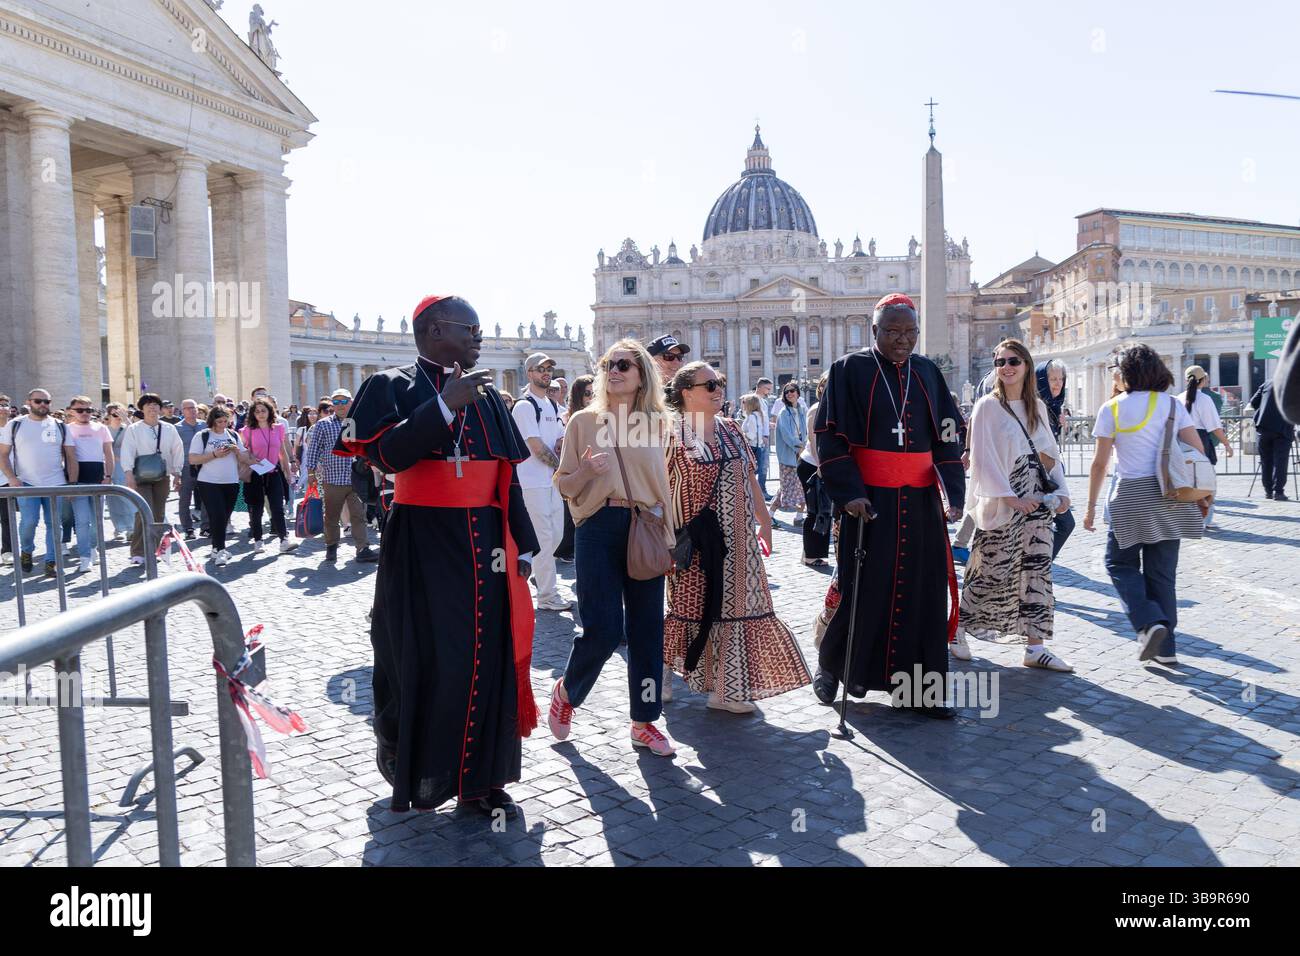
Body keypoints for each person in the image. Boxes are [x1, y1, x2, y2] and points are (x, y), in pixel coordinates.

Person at [340, 294, 540, 818]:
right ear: (432, 330)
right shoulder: (391, 385)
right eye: (469, 328)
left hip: (488, 541)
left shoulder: (491, 396)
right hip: (424, 545)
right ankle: (431, 773)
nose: (479, 337)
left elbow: (507, 475)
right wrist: (446, 405)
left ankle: (483, 778)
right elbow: (387, 455)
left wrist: (525, 544)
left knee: (487, 656)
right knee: (435, 658)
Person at [812, 294, 966, 717]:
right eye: (893, 332)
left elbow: (949, 434)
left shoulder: (929, 372)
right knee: (863, 586)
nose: (903, 340)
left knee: (923, 591)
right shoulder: (848, 370)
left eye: (910, 332)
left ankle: (921, 691)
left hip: (920, 501)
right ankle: (832, 666)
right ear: (874, 330)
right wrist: (850, 493)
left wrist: (954, 493)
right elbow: (830, 437)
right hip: (869, 499)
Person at [548, 339, 677, 756]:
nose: (614, 370)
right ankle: (568, 691)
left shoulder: (659, 422)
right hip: (598, 526)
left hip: (647, 525)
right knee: (603, 630)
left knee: (647, 631)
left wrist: (669, 536)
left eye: (624, 364)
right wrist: (585, 469)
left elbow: (665, 486)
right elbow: (564, 485)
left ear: (642, 373)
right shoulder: (584, 421)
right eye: (608, 364)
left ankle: (645, 722)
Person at [662, 361, 808, 713]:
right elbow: (659, 491)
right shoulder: (672, 434)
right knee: (690, 609)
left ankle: (725, 691)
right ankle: (661, 674)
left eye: (720, 383)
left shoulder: (731, 428)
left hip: (740, 542)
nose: (718, 390)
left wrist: (766, 523)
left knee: (738, 610)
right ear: (686, 393)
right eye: (709, 385)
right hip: (696, 544)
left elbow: (751, 479)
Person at [951, 340, 1073, 671]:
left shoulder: (1036, 405)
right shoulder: (987, 407)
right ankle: (956, 630)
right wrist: (1011, 498)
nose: (1006, 366)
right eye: (1000, 361)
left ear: (1027, 365)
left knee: (1037, 572)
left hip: (1038, 503)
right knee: (990, 569)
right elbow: (983, 461)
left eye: (1013, 360)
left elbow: (1051, 457)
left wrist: (1062, 492)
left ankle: (1035, 647)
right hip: (1004, 503)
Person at [1085, 343, 1206, 667]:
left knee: (1119, 564)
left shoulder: (1112, 408)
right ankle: (1167, 648)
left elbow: (1099, 465)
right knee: (1163, 573)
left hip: (1129, 495)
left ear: (1124, 373)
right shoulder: (1171, 405)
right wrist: (1204, 493)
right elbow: (1197, 451)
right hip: (1169, 495)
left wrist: (1091, 506)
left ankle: (1148, 620)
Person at [511, 352, 570, 610]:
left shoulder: (553, 406)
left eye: (549, 368)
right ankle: (547, 595)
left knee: (556, 536)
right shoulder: (525, 406)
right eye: (540, 368)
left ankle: (539, 573)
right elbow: (536, 446)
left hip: (551, 482)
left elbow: (558, 440)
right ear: (530, 374)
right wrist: (562, 466)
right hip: (532, 482)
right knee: (545, 539)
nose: (546, 372)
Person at [0, 388, 78, 576]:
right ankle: (26, 550)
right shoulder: (15, 424)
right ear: (29, 402)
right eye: (38, 401)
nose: (43, 404)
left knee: (54, 524)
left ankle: (51, 561)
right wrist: (11, 478)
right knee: (29, 522)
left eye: (47, 401)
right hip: (27, 483)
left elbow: (71, 456)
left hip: (56, 483)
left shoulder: (60, 425)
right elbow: (3, 455)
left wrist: (73, 484)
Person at [301, 388, 377, 564]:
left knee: (358, 515)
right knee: (332, 517)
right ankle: (331, 547)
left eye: (344, 401)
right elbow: (314, 450)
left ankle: (363, 548)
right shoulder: (323, 424)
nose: (340, 405)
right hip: (333, 479)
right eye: (336, 402)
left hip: (356, 478)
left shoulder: (359, 422)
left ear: (351, 402)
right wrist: (311, 471)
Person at [118, 393, 185, 567]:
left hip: (162, 475)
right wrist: (128, 474)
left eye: (155, 404)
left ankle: (154, 549)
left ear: (160, 407)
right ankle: (138, 551)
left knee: (158, 513)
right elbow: (127, 451)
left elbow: (177, 450)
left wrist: (177, 473)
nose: (152, 407)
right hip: (140, 476)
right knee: (143, 512)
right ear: (142, 408)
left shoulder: (169, 428)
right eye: (148, 404)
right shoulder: (134, 429)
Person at [189, 406, 252, 567]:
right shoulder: (202, 435)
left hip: (231, 481)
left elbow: (245, 457)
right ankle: (220, 549)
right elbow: (193, 459)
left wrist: (237, 451)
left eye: (226, 421)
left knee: (223, 517)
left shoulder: (233, 434)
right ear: (212, 421)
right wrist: (214, 454)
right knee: (216, 515)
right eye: (219, 421)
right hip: (208, 481)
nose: (223, 425)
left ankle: (216, 549)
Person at [64, 395, 115, 574]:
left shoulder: (101, 428)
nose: (84, 413)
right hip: (77, 478)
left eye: (88, 410)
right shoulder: (66, 429)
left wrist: (108, 476)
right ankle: (84, 556)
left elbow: (108, 454)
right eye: (80, 410)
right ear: (71, 411)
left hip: (98, 478)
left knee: (96, 520)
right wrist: (69, 482)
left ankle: (93, 548)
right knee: (82, 521)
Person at [241, 397, 298, 555]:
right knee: (256, 509)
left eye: (263, 411)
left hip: (273, 472)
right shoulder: (246, 431)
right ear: (253, 413)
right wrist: (254, 461)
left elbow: (282, 452)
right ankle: (258, 541)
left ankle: (284, 540)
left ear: (269, 412)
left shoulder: (278, 428)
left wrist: (287, 472)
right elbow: (243, 454)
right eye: (257, 411)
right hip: (255, 474)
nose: (260, 414)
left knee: (277, 508)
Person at [1180, 366, 1233, 529]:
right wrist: (1226, 443)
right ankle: (1204, 519)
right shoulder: (1205, 399)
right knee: (1207, 482)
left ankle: (1187, 518)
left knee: (1185, 481)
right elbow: (1214, 427)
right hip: (1200, 441)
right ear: (1203, 380)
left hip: (1181, 442)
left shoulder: (1177, 398)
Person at [1035, 359, 1075, 559]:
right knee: (1066, 523)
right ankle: (1040, 564)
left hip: (1047, 477)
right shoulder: (1037, 407)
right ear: (1042, 380)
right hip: (1036, 478)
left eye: (1061, 379)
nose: (1058, 383)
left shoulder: (1053, 407)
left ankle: (1039, 564)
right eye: (1052, 379)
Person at [553, 375, 595, 563]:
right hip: (575, 477)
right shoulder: (569, 419)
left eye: (595, 393)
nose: (592, 397)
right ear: (579, 395)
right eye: (587, 394)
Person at [800, 373, 833, 567]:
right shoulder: (815, 409)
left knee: (824, 510)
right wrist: (821, 466)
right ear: (821, 388)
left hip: (823, 465)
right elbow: (814, 441)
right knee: (815, 510)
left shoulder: (832, 408)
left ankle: (810, 552)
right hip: (812, 465)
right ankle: (812, 555)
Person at [768, 382, 807, 525]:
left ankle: (798, 517)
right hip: (789, 455)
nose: (789, 394)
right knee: (787, 487)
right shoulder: (783, 412)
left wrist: (805, 445)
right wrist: (799, 446)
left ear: (798, 393)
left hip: (801, 453)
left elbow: (806, 430)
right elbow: (786, 435)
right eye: (786, 392)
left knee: (802, 485)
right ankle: (770, 515)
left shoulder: (802, 410)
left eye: (792, 391)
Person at [1249, 378, 1293, 501]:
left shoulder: (1268, 382)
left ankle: (1268, 491)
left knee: (1266, 461)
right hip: (1283, 427)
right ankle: (1278, 491)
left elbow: (1253, 402)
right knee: (1281, 461)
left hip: (1264, 426)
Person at [173, 399, 205, 540]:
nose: (192, 410)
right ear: (182, 410)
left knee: (207, 498)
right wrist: (176, 473)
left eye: (194, 407)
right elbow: (173, 450)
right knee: (185, 499)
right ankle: (188, 528)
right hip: (186, 467)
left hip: (204, 466)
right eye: (188, 408)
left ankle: (206, 527)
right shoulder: (177, 428)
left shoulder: (205, 425)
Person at [754, 377, 776, 499]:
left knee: (763, 465)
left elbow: (762, 419)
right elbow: (754, 419)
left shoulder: (763, 401)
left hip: (764, 436)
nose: (769, 391)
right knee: (761, 466)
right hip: (760, 439)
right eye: (767, 388)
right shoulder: (754, 400)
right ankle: (761, 491)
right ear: (760, 387)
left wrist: (769, 425)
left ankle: (761, 490)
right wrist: (763, 435)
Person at [0, 394, 10, 565]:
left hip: (8, 480)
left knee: (7, 518)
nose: (2, 408)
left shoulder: (14, 428)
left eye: (5, 404)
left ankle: (7, 550)